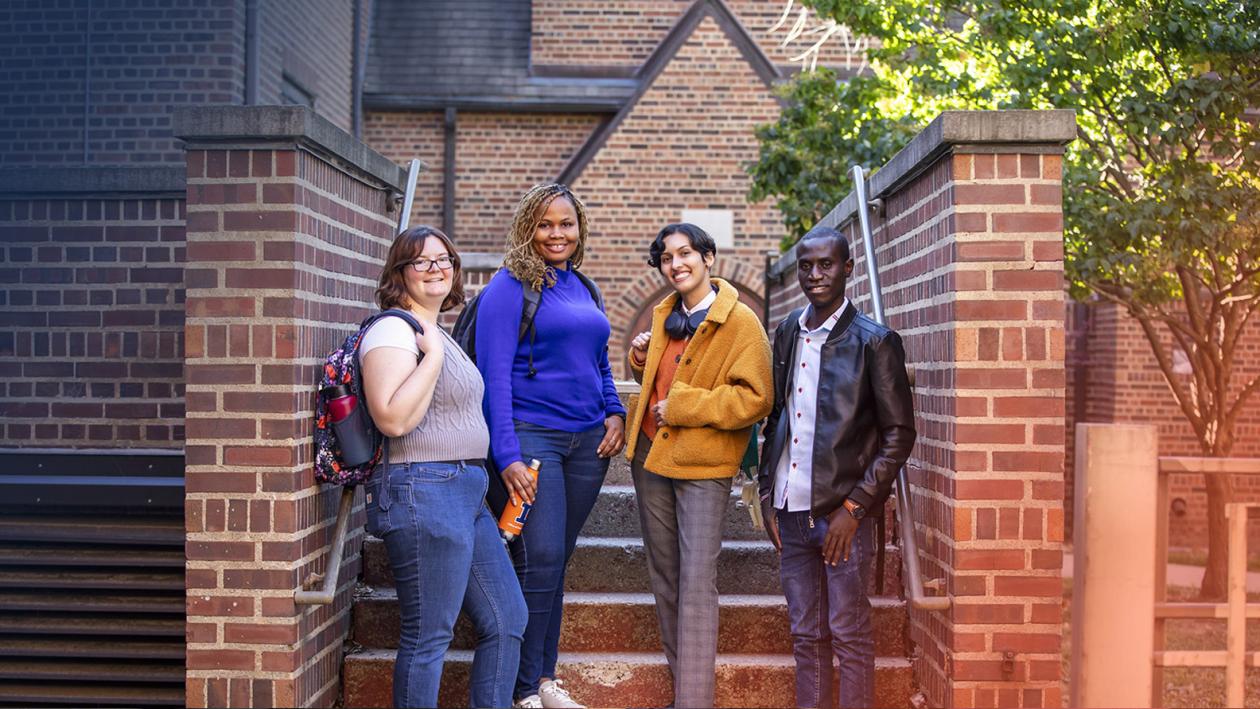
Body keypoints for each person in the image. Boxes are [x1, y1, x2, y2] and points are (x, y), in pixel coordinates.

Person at [360, 226, 527, 709]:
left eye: (444, 259)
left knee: (507, 619)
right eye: (421, 261)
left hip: (466, 489)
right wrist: (430, 355)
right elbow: (391, 417)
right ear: (399, 273)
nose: (436, 268)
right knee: (429, 633)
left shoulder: (438, 334)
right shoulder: (395, 330)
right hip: (424, 488)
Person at [474, 183, 627, 709]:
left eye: (565, 223)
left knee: (554, 559)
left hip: (589, 444)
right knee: (537, 555)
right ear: (527, 229)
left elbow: (600, 360)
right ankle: (522, 690)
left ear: (579, 226)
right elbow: (493, 377)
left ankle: (544, 679)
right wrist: (508, 456)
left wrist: (615, 409)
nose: (556, 233)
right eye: (544, 224)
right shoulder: (510, 286)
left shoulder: (584, 286)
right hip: (534, 439)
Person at [757, 225, 916, 709]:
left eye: (826, 264)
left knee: (848, 633)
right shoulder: (787, 332)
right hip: (790, 510)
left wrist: (856, 506)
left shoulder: (875, 342)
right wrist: (768, 492)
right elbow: (779, 414)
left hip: (842, 516)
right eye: (806, 266)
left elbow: (899, 435)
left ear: (848, 268)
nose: (815, 275)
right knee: (806, 634)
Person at [623, 223, 773, 708]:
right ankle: (683, 690)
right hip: (650, 456)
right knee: (665, 577)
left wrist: (687, 407)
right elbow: (660, 380)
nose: (676, 264)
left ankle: (695, 703)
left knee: (695, 583)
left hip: (704, 465)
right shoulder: (664, 312)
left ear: (708, 257)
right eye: (666, 258)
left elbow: (756, 397)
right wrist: (639, 358)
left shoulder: (742, 321)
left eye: (686, 253)